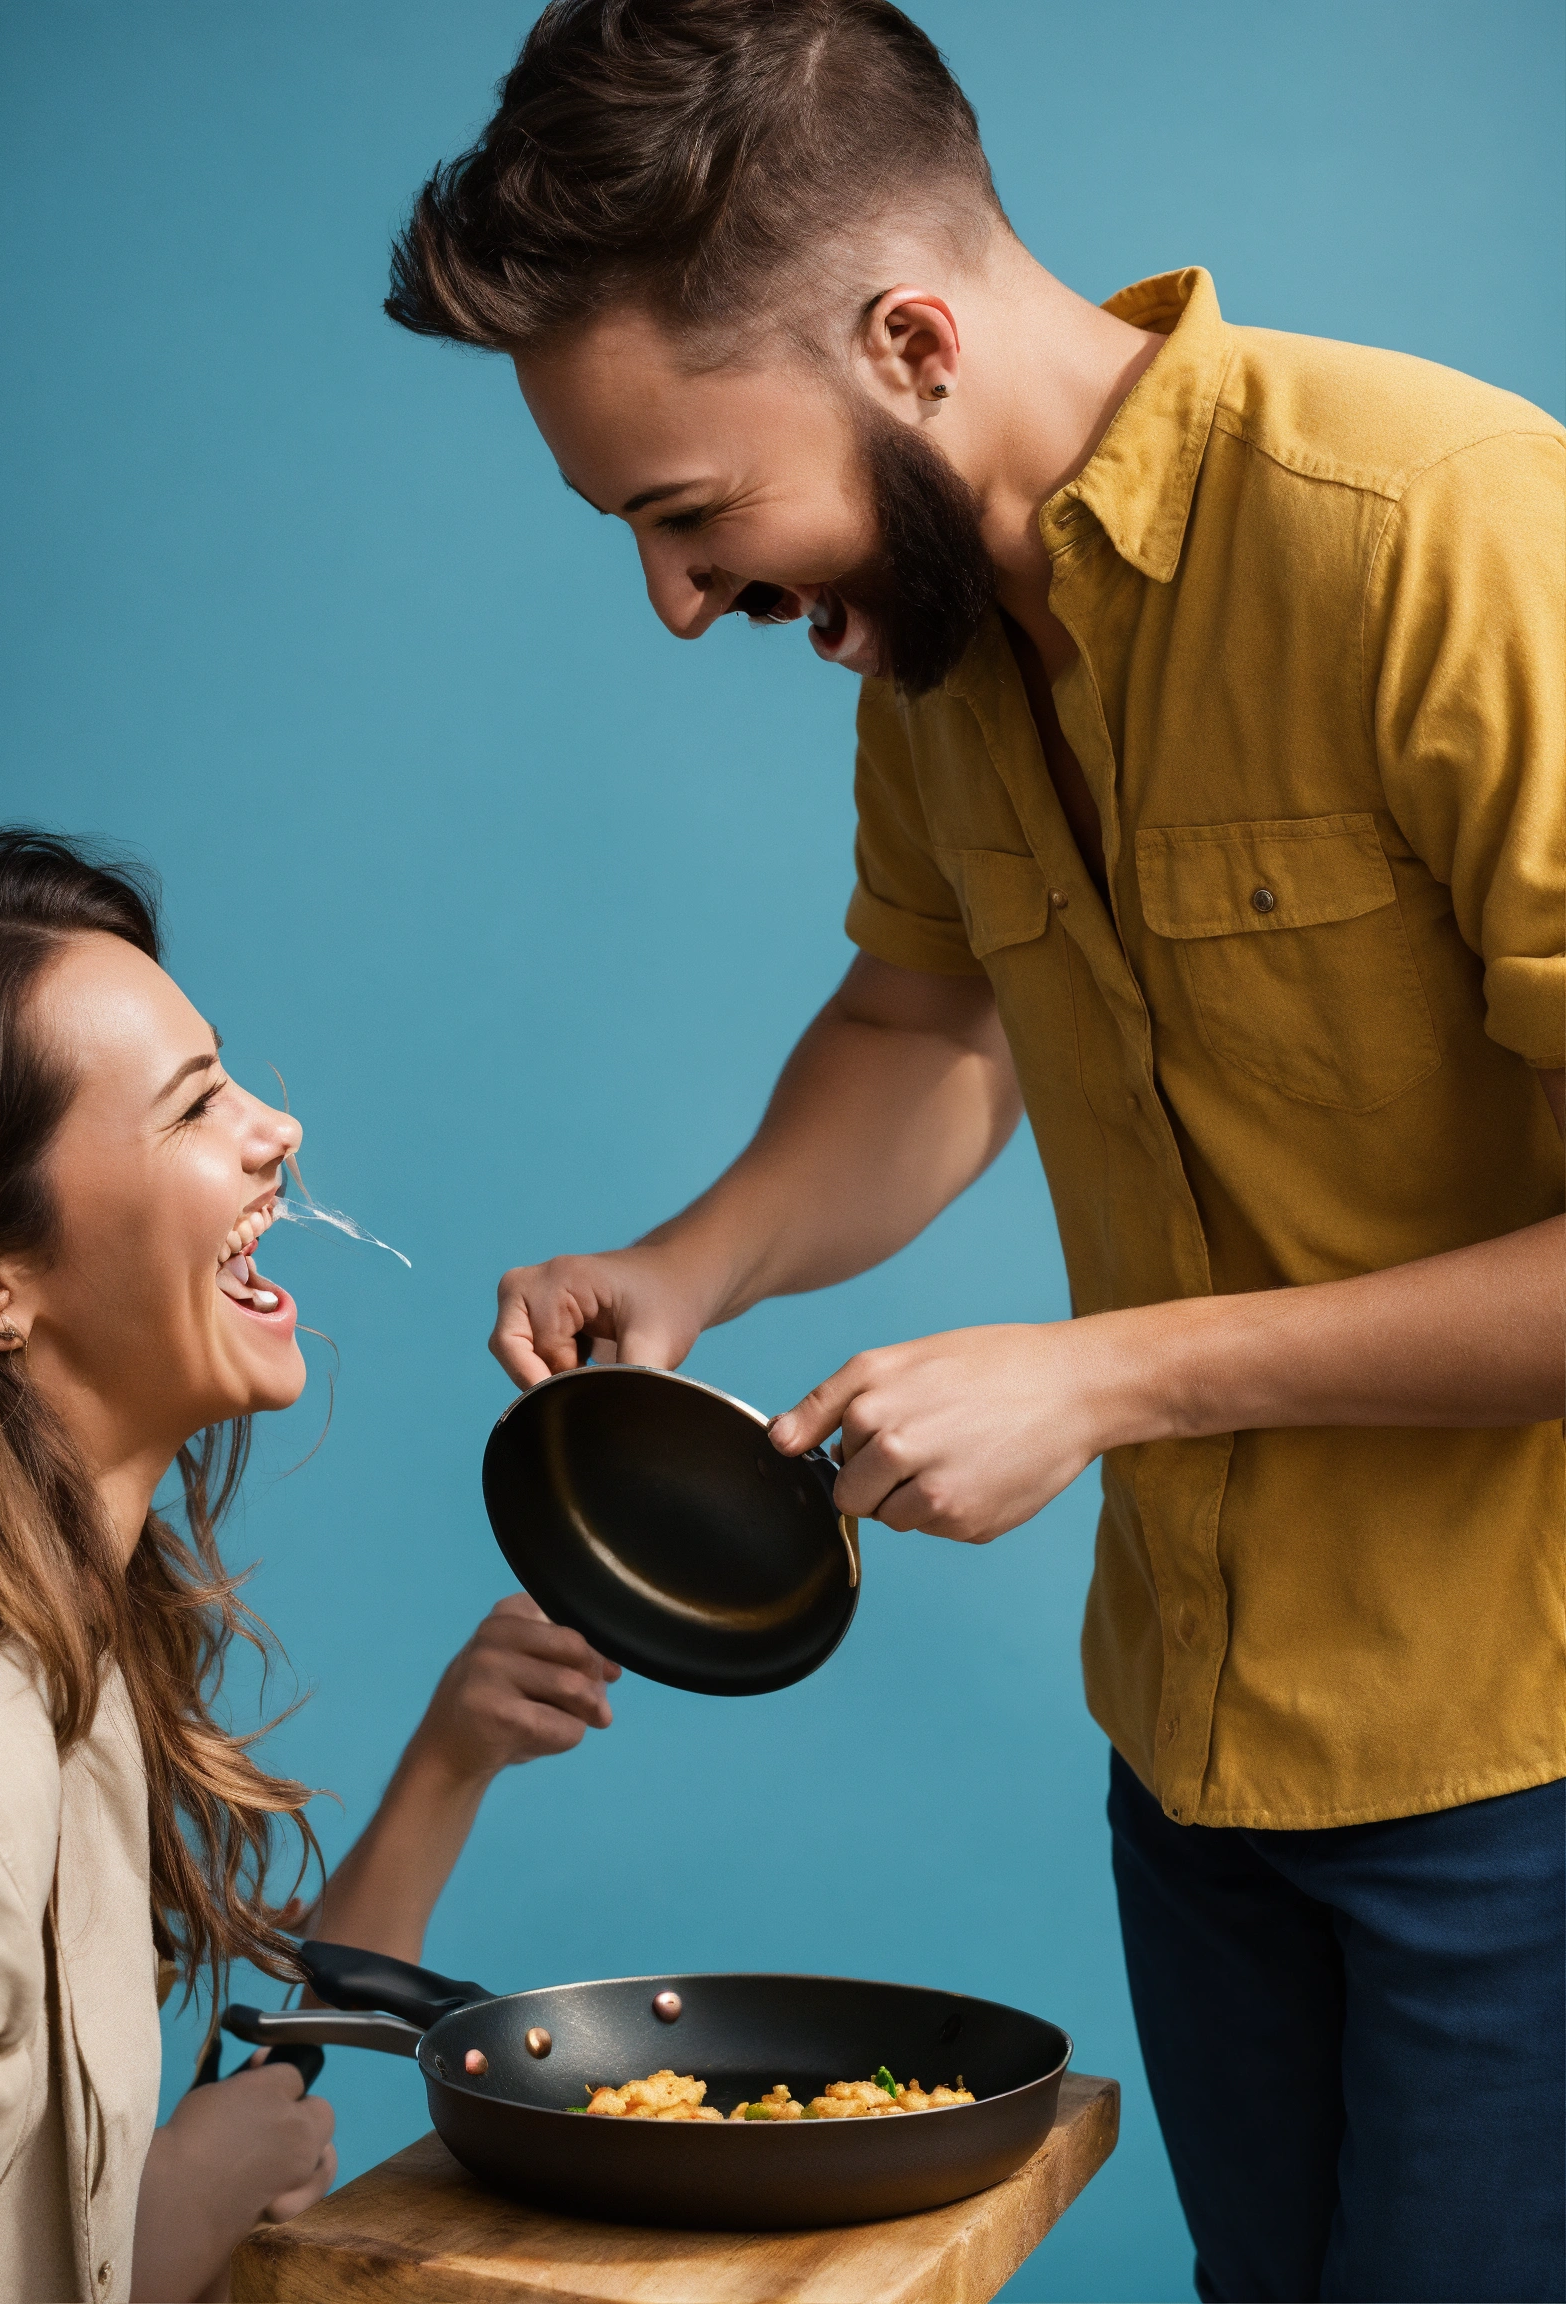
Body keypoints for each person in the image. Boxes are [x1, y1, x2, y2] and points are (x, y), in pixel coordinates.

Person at [381, 4, 1566, 2299]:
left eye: (688, 511)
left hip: (1526, 1764)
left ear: (909, 339)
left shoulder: (1454, 542)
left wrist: (1108, 1378)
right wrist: (700, 1258)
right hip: (1202, 1764)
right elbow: (930, 1019)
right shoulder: (936, 646)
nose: (674, 600)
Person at [0, 830, 620, 2304]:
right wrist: (170, 2219)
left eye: (229, 1076)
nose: (276, 1130)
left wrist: (452, 1756)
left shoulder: (60, 1653)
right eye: (190, 1110)